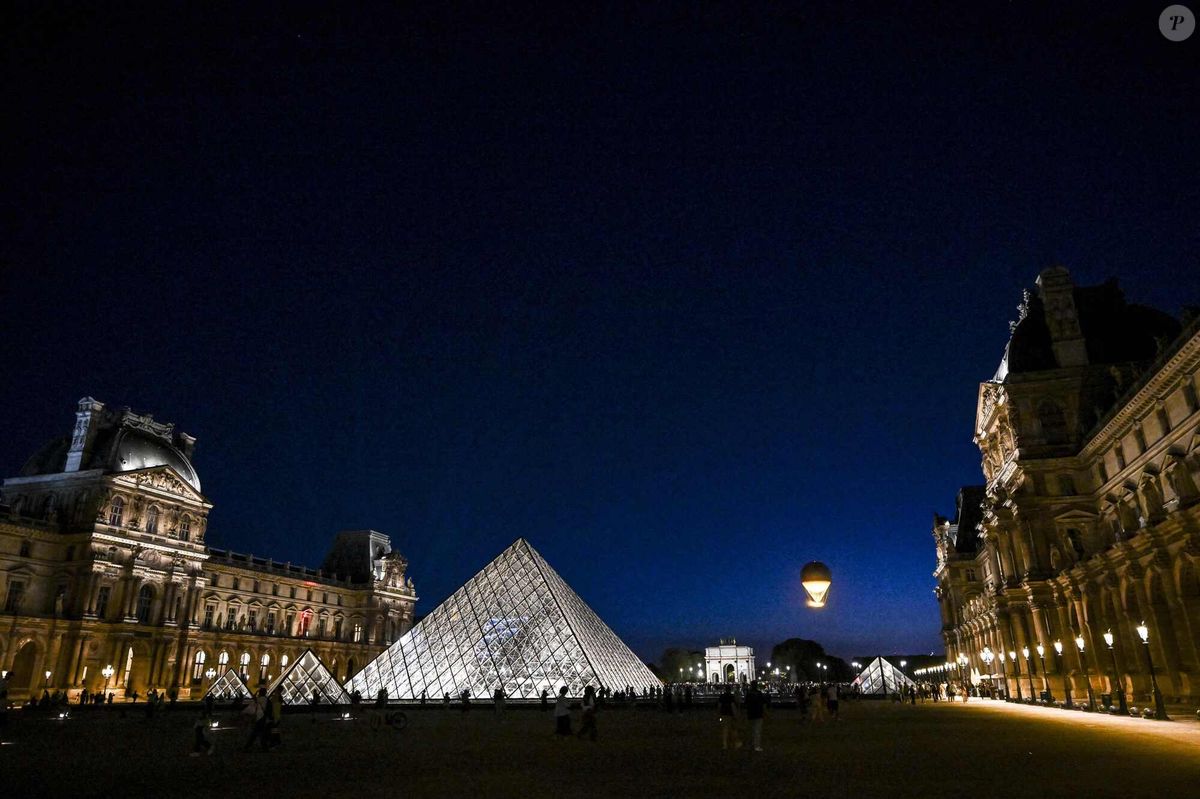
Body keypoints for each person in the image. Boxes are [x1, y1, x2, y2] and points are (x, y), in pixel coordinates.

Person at [743, 681, 767, 752]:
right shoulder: (759, 693)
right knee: (757, 731)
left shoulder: (748, 694)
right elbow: (763, 704)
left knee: (750, 730)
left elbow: (745, 704)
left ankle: (750, 745)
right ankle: (757, 746)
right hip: (758, 714)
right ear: (756, 686)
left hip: (750, 714)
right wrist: (765, 713)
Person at [717, 686, 741, 750]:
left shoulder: (722, 696)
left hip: (724, 714)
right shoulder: (732, 696)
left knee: (725, 729)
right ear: (730, 690)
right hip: (730, 714)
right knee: (733, 729)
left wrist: (719, 714)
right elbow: (733, 706)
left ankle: (725, 744)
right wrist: (736, 715)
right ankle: (735, 743)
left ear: (725, 690)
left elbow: (719, 705)